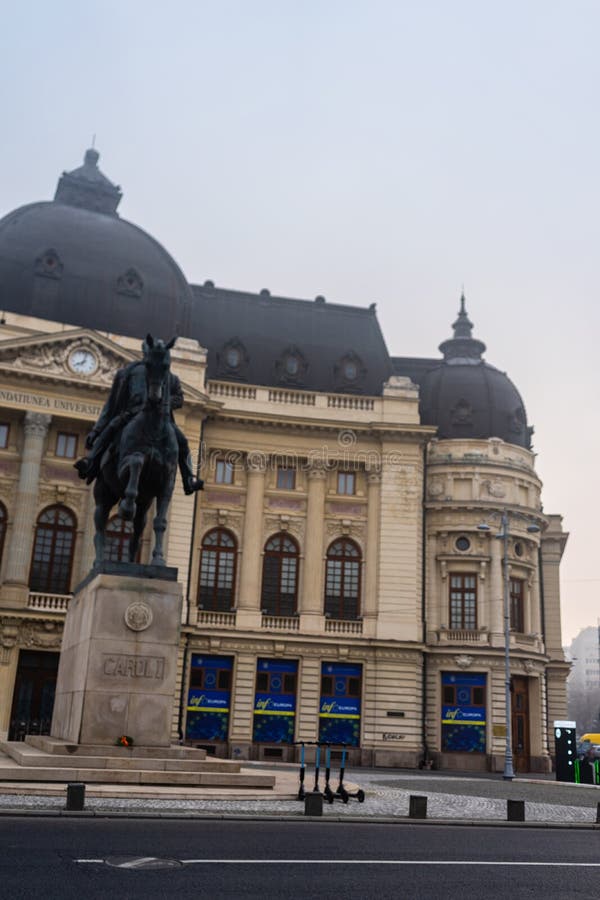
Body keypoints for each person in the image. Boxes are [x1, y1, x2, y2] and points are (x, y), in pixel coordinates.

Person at [74, 338, 203, 495]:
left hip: (160, 418)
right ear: (145, 353)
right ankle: (90, 460)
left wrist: (166, 402)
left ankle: (188, 478)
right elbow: (111, 405)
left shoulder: (167, 376)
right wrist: (96, 430)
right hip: (130, 414)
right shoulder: (128, 372)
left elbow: (179, 398)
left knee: (182, 442)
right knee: (112, 427)